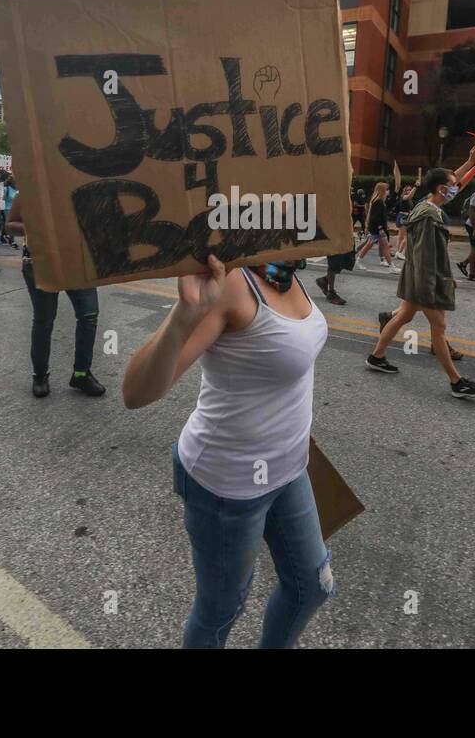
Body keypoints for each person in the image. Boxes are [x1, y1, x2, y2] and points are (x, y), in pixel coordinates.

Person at [123, 251, 333, 648]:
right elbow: (136, 392)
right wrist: (185, 314)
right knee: (221, 610)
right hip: (228, 485)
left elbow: (284, 363)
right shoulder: (233, 282)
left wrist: (298, 425)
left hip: (290, 469)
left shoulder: (285, 268)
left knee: (313, 586)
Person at [365, 152, 475, 399]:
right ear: (442, 189)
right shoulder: (430, 216)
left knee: (403, 317)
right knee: (439, 327)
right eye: (452, 187)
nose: (457, 189)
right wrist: (439, 282)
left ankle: (376, 356)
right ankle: (457, 382)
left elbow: (456, 179)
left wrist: (470, 161)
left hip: (418, 277)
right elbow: (425, 257)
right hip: (425, 280)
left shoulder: (427, 203)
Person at [4, 196, 105, 399]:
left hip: (79, 263)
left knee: (89, 316)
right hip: (40, 263)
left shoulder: (80, 185)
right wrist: (38, 229)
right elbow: (11, 225)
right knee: (44, 320)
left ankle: (81, 374)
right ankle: (40, 375)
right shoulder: (29, 188)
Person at [354, 182, 395, 270]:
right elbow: (376, 217)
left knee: (377, 246)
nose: (388, 191)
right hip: (377, 229)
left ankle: (391, 266)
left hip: (376, 228)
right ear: (382, 190)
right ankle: (391, 266)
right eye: (386, 189)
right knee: (373, 245)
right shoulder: (378, 201)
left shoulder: (379, 200)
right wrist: (380, 228)